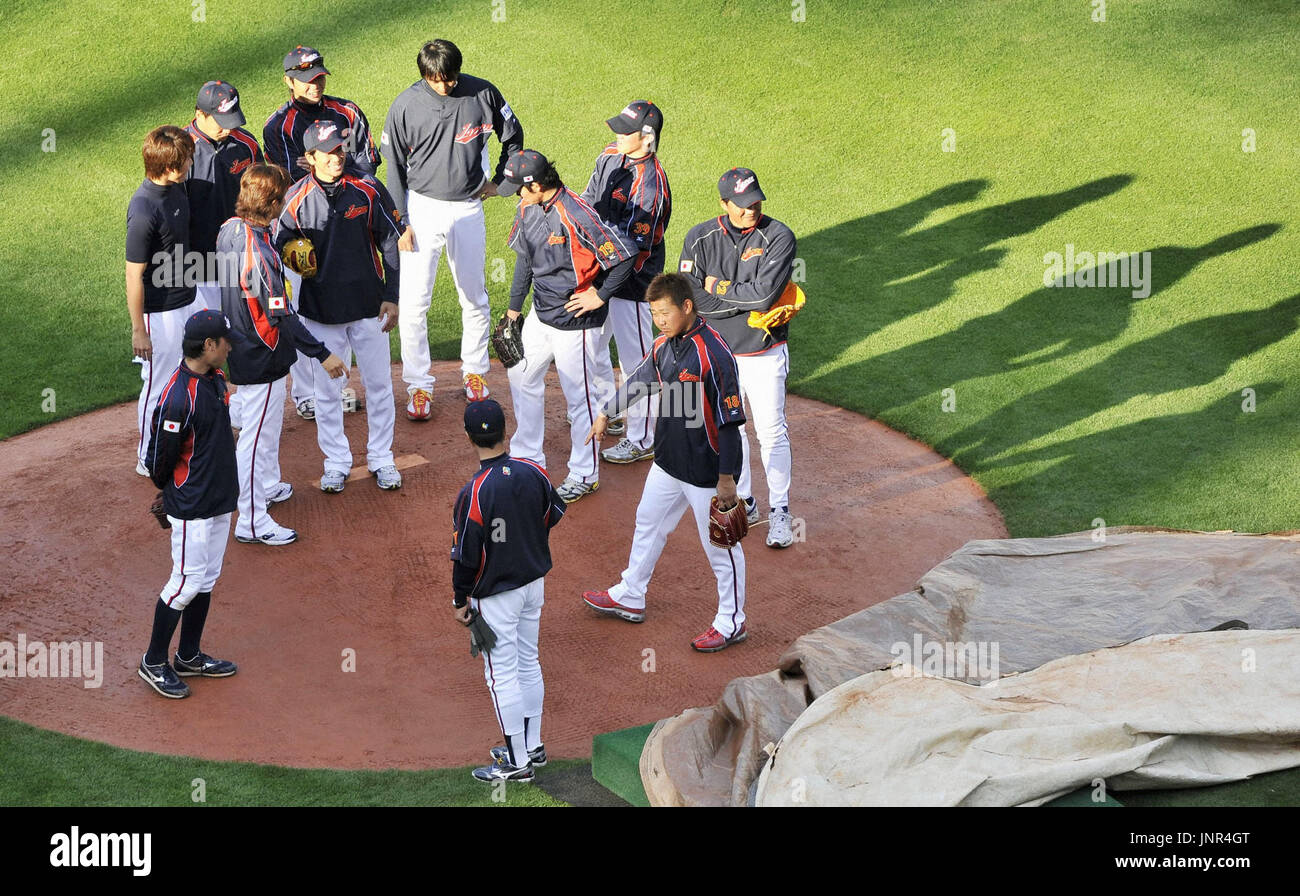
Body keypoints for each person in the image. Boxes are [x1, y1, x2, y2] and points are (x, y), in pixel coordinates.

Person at [581, 273, 749, 652]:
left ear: (686, 307)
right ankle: (631, 592)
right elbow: (640, 380)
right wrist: (608, 412)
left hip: (707, 471)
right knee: (648, 523)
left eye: (664, 312)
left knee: (721, 547)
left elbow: (730, 423)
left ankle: (732, 621)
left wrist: (726, 479)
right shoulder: (663, 345)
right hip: (668, 462)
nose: (659, 320)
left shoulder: (714, 353)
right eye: (654, 313)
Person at [382, 38, 524, 416]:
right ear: (425, 74)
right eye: (436, 79)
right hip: (422, 209)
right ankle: (418, 385)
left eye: (450, 77)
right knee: (414, 303)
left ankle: (475, 373)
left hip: (467, 208)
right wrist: (401, 222)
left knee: (473, 295)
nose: (445, 85)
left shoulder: (483, 94)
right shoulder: (406, 105)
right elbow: (392, 167)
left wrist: (502, 184)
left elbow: (514, 138)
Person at [218, 163, 347, 546]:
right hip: (261, 355)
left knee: (267, 430)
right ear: (272, 202)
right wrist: (322, 354)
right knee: (255, 439)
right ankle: (252, 521)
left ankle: (268, 485)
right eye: (283, 196)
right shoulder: (259, 251)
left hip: (242, 345)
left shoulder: (230, 229)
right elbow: (282, 316)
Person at [498, 149, 636, 503]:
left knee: (582, 401)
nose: (515, 194)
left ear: (539, 185)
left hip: (578, 322)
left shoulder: (576, 212)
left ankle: (585, 473)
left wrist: (601, 296)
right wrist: (514, 310)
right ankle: (528, 455)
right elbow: (525, 260)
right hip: (541, 315)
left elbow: (624, 254)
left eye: (520, 188)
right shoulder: (528, 207)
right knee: (522, 375)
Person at [278, 121, 404, 492]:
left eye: (340, 149)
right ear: (311, 157)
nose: (337, 156)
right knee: (327, 393)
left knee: (379, 386)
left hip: (368, 308)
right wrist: (292, 253)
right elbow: (281, 246)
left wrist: (392, 295)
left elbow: (390, 244)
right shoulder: (295, 199)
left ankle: (382, 457)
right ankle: (336, 460)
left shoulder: (367, 188)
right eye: (329, 152)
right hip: (321, 312)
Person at [678, 168, 798, 548]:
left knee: (771, 431)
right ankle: (746, 500)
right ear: (724, 203)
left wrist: (716, 289)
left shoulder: (778, 237)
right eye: (744, 205)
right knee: (733, 428)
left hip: (763, 352)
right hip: (720, 354)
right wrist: (732, 298)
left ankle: (780, 510)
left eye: (756, 202)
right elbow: (691, 296)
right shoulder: (699, 238)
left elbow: (763, 298)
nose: (752, 210)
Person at [451, 399, 567, 783]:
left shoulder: (476, 490)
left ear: (470, 438)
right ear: (505, 431)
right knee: (527, 662)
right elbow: (554, 513)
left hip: (497, 595)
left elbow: (466, 557)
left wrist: (458, 600)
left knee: (501, 675)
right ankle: (532, 745)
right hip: (534, 584)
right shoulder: (533, 471)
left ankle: (517, 762)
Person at [263, 45, 376, 419]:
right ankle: (306, 393)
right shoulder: (278, 126)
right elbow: (291, 181)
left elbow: (364, 166)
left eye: (320, 77)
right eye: (307, 79)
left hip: (347, 217)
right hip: (301, 227)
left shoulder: (348, 111)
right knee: (303, 309)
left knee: (339, 306)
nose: (316, 84)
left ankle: (336, 384)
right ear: (289, 81)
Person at [138, 310, 240, 699]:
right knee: (184, 582)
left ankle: (189, 655)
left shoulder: (213, 379)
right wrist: (173, 496)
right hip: (193, 506)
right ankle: (153, 660)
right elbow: (157, 461)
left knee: (206, 580)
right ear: (209, 346)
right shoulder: (178, 397)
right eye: (224, 341)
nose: (230, 346)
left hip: (217, 501)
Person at [582, 101, 672, 466]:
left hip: (634, 282)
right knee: (595, 344)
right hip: (602, 272)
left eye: (626, 130)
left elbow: (635, 250)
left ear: (647, 138)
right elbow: (588, 203)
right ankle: (613, 410)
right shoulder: (609, 155)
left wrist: (605, 284)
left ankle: (643, 436)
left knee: (637, 361)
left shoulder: (651, 184)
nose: (617, 135)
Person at [127, 125, 204, 477]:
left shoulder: (176, 189)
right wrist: (138, 330)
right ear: (168, 166)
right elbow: (133, 274)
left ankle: (187, 432)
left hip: (189, 296)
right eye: (185, 159)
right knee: (159, 382)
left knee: (197, 366)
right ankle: (147, 455)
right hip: (162, 312)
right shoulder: (144, 209)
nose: (190, 161)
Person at [185, 81, 263, 313]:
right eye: (222, 122)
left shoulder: (246, 144)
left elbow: (261, 197)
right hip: (198, 266)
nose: (229, 129)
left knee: (244, 335)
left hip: (242, 260)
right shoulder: (181, 151)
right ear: (200, 114)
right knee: (206, 340)